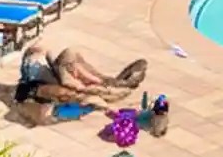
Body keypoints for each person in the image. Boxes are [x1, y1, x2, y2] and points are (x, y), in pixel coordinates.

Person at [14, 43, 148, 125]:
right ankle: (109, 84)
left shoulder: (38, 78)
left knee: (71, 59)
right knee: (72, 64)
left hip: (41, 76)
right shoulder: (42, 91)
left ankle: (107, 83)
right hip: (42, 82)